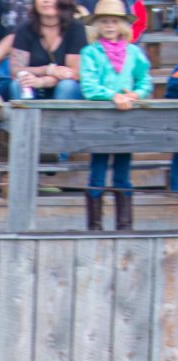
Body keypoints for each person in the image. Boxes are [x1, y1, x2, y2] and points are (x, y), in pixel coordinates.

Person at [79, 0, 147, 230]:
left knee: (123, 171)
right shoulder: (89, 52)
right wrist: (113, 95)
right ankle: (95, 225)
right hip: (100, 120)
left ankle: (124, 224)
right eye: (104, 21)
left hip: (126, 120)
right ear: (97, 25)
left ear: (122, 25)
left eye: (114, 21)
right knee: (97, 170)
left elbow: (144, 79)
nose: (109, 25)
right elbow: (89, 87)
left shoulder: (134, 52)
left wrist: (136, 93)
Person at [7, 0, 84, 103]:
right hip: (33, 87)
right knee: (18, 84)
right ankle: (24, 119)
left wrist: (42, 81)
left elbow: (74, 74)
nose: (46, 1)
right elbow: (16, 70)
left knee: (67, 86)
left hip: (64, 89)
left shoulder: (75, 27)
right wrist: (48, 70)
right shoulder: (25, 28)